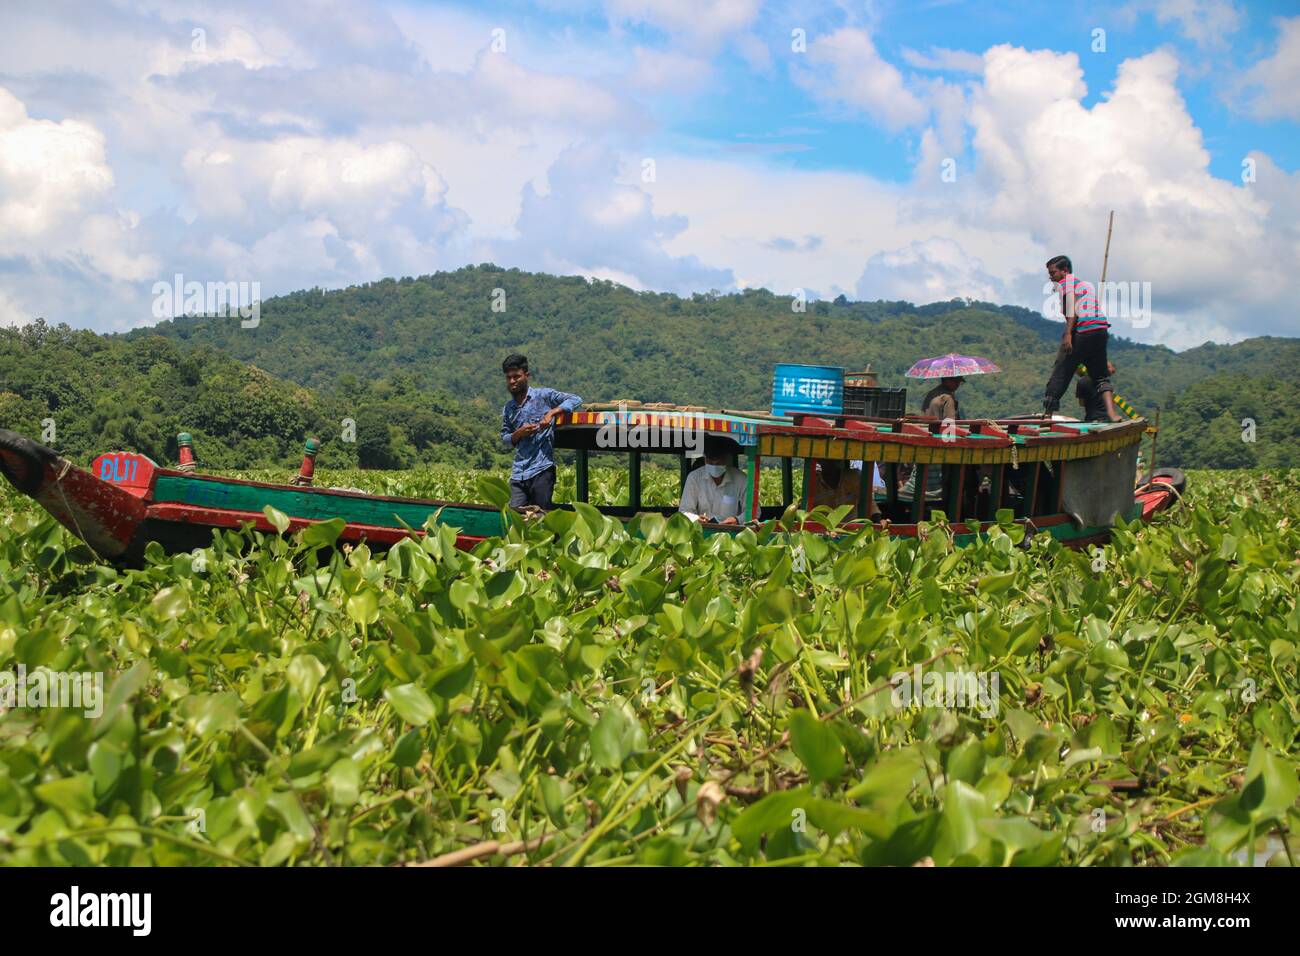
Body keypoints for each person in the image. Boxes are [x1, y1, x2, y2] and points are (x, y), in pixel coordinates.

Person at [1042, 255, 1124, 422]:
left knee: (1061, 372)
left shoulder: (1065, 284)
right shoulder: (1084, 284)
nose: (1050, 277)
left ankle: (1047, 416)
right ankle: (1112, 414)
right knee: (1101, 376)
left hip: (1083, 331)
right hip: (1100, 330)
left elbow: (1072, 310)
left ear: (1065, 271)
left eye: (1053, 273)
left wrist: (1068, 335)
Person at [500, 354, 582, 509]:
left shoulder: (544, 396)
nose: (512, 381)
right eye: (508, 378)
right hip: (518, 472)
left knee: (542, 517)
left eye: (516, 377)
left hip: (542, 469)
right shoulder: (508, 408)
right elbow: (505, 438)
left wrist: (551, 413)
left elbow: (575, 399)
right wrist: (519, 433)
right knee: (515, 516)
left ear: (527, 376)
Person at [899, 376, 962, 502]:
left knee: (923, 470)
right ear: (946, 380)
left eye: (959, 382)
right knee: (943, 474)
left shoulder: (931, 394)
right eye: (955, 381)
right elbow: (950, 424)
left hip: (927, 439)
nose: (957, 385)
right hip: (940, 443)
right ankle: (938, 496)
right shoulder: (947, 398)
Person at [678, 440, 747, 525]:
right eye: (710, 463)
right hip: (702, 530)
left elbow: (753, 512)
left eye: (718, 463)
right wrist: (696, 518)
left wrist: (737, 519)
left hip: (731, 532)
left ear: (726, 460)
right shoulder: (694, 477)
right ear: (705, 459)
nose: (714, 466)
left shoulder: (741, 479)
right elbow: (684, 511)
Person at [809, 459, 880, 518]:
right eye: (827, 460)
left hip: (851, 530)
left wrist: (879, 521)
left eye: (834, 460)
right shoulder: (813, 482)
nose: (831, 464)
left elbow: (869, 502)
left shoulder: (854, 477)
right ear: (820, 462)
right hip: (820, 531)